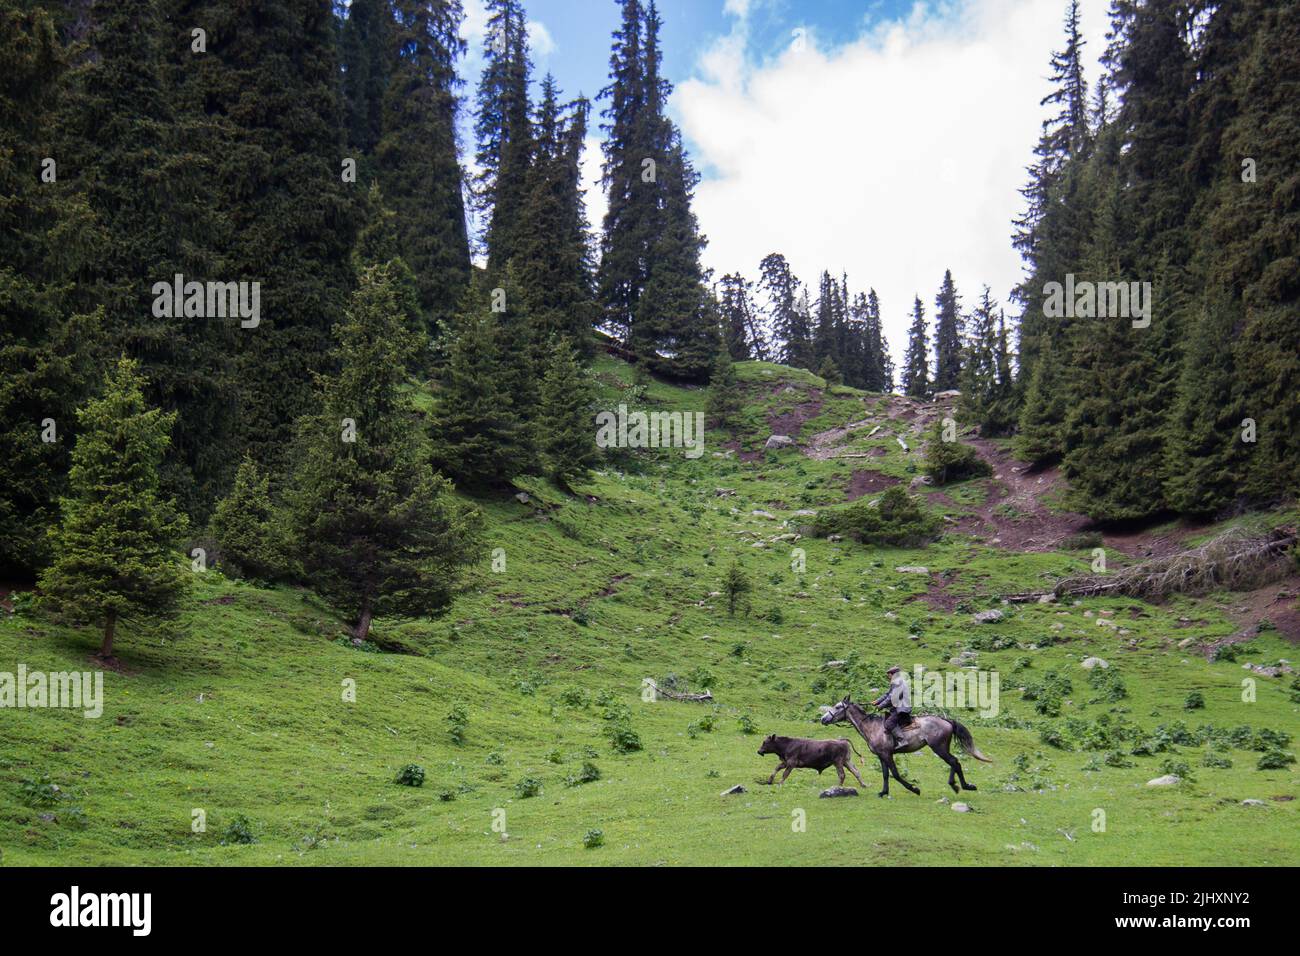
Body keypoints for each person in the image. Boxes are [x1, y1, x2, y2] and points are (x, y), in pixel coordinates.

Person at [872, 665, 912, 748]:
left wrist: (880, 706)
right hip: (898, 707)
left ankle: (902, 740)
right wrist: (877, 701)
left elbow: (891, 697)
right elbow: (887, 694)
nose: (888, 676)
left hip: (902, 708)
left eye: (889, 674)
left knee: (888, 723)